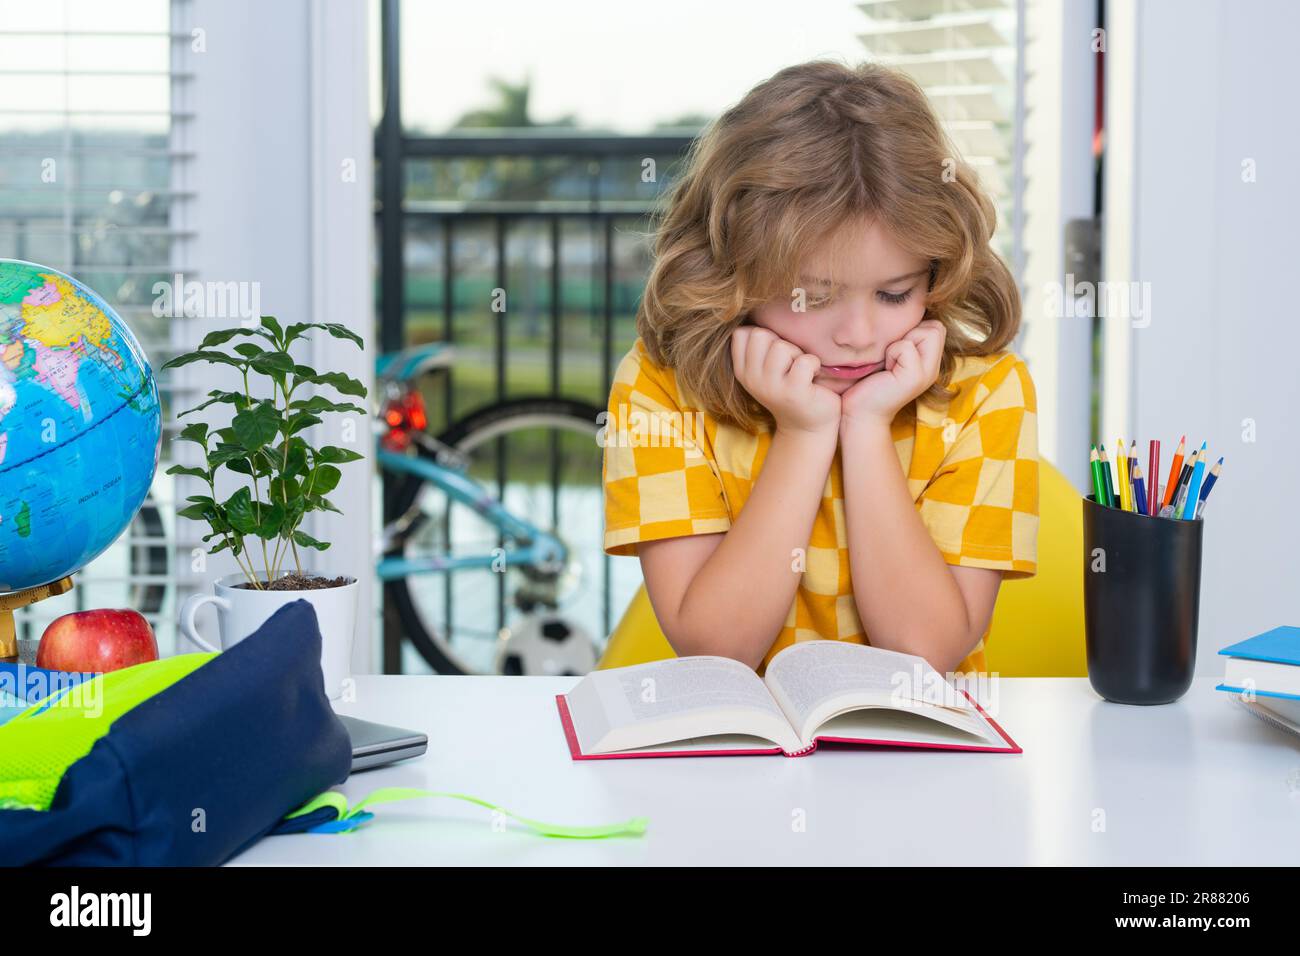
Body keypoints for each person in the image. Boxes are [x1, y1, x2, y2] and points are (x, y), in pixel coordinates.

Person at [602, 59, 1038, 677]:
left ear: (936, 275)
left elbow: (924, 652)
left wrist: (864, 429)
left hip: (921, 766)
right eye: (814, 296)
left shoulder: (988, 394)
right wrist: (804, 435)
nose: (858, 337)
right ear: (734, 278)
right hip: (737, 761)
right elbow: (716, 650)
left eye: (894, 295)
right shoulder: (659, 388)